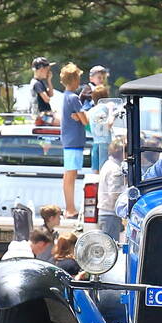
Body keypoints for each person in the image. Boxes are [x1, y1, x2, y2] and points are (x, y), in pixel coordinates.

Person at [58, 63, 89, 219]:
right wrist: (80, 117)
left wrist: (78, 116)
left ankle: (70, 207)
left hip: (69, 141)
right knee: (71, 175)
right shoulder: (74, 98)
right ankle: (70, 209)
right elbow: (85, 120)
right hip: (74, 141)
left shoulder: (65, 96)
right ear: (74, 79)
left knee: (69, 175)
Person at [99, 139, 127, 244]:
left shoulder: (107, 164)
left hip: (105, 213)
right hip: (110, 214)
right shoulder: (115, 169)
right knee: (110, 246)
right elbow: (115, 193)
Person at [87, 85, 115, 170]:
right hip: (105, 143)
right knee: (104, 168)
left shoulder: (91, 111)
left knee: (96, 169)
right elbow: (108, 124)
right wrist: (112, 112)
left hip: (95, 142)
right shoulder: (104, 108)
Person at [29, 57, 57, 124]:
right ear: (41, 69)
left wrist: (49, 80)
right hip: (41, 117)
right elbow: (46, 99)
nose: (48, 72)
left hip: (44, 115)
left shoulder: (40, 82)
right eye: (47, 69)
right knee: (63, 122)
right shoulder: (36, 83)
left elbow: (51, 94)